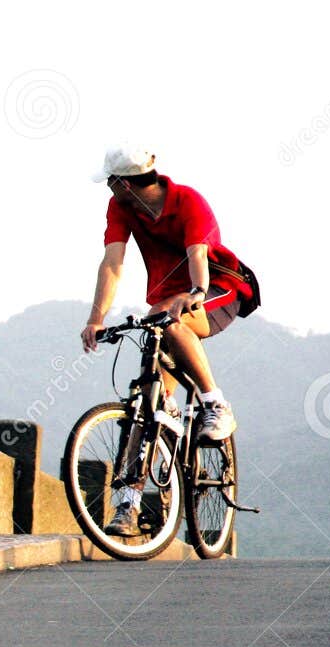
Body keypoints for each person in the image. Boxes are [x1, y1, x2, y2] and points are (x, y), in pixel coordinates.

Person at [79, 145, 254, 537]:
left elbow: (198, 253)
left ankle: (215, 404)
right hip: (165, 300)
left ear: (124, 183)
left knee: (173, 324)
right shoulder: (121, 208)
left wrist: (195, 291)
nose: (108, 188)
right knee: (148, 400)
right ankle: (128, 505)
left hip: (218, 288)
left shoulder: (187, 201)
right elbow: (112, 262)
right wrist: (95, 319)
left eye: (110, 182)